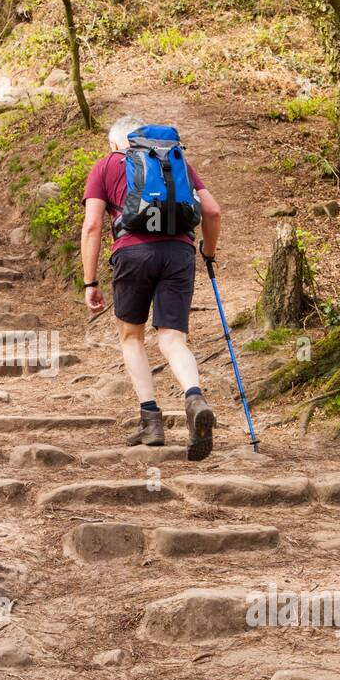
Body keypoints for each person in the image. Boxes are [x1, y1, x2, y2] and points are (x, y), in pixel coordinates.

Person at [81, 115, 222, 460]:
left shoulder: (106, 165)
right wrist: (208, 251)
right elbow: (213, 211)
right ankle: (194, 397)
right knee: (173, 338)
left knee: (132, 337)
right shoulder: (175, 161)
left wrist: (90, 282)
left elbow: (93, 225)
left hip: (133, 252)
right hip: (179, 252)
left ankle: (151, 421)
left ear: (116, 143)